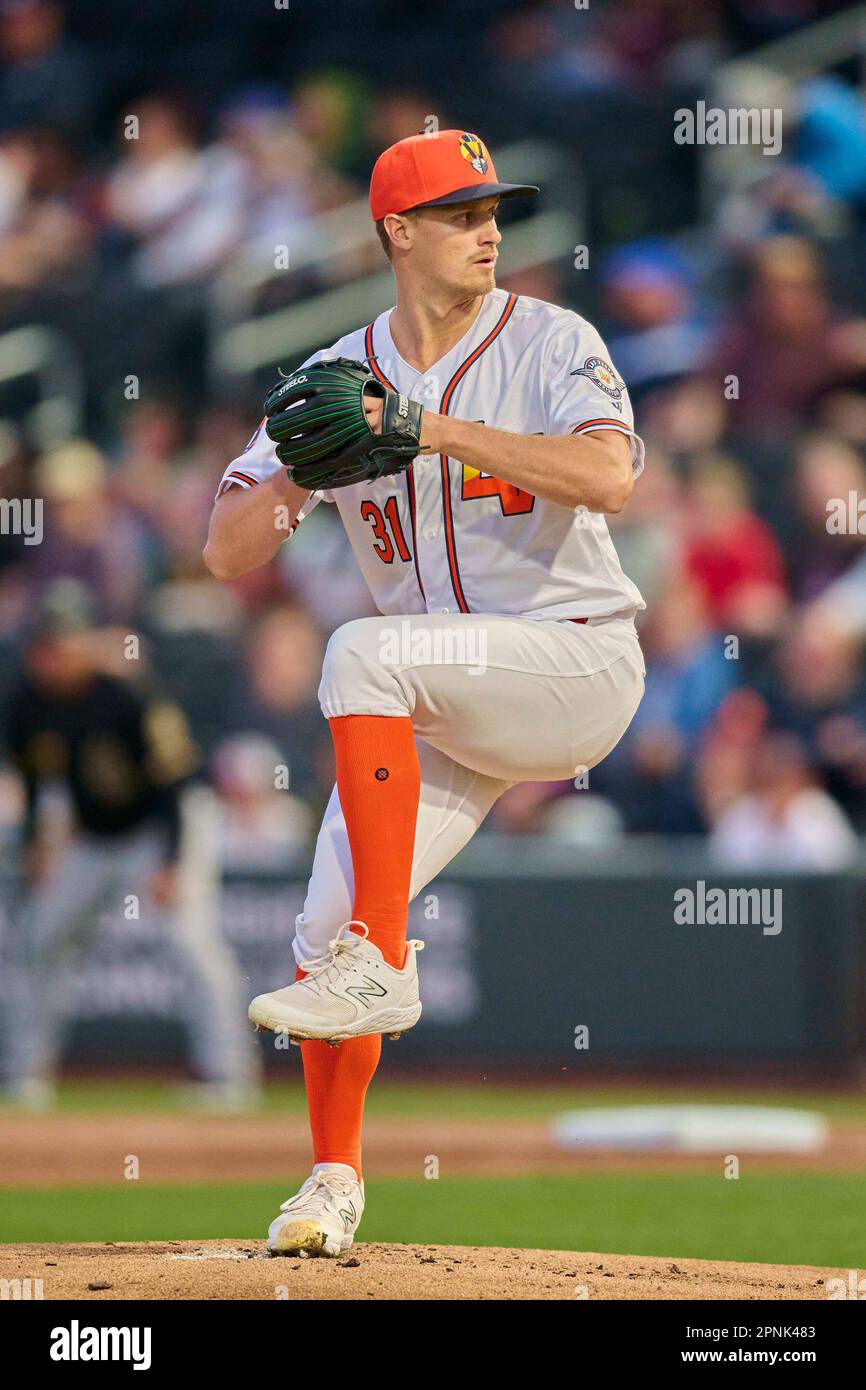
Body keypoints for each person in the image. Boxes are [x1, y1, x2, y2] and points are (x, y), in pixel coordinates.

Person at [204, 129, 647, 1256]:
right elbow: (224, 550)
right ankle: (331, 1182)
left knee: (359, 652)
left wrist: (431, 429)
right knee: (316, 926)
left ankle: (381, 959)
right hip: (445, 699)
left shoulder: (551, 339)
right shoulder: (333, 378)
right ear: (397, 231)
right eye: (459, 212)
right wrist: (304, 469)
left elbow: (611, 476)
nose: (488, 227)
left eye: (493, 208)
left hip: (572, 660)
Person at [1, 580, 260, 1109]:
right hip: (93, 837)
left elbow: (174, 784)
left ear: (87, 642)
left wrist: (169, 863)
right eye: (48, 645)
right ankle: (25, 1074)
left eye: (67, 641)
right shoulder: (26, 701)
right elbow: (33, 782)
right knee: (40, 936)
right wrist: (36, 845)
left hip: (164, 825)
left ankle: (229, 1076)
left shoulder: (126, 693)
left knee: (190, 941)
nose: (56, 655)